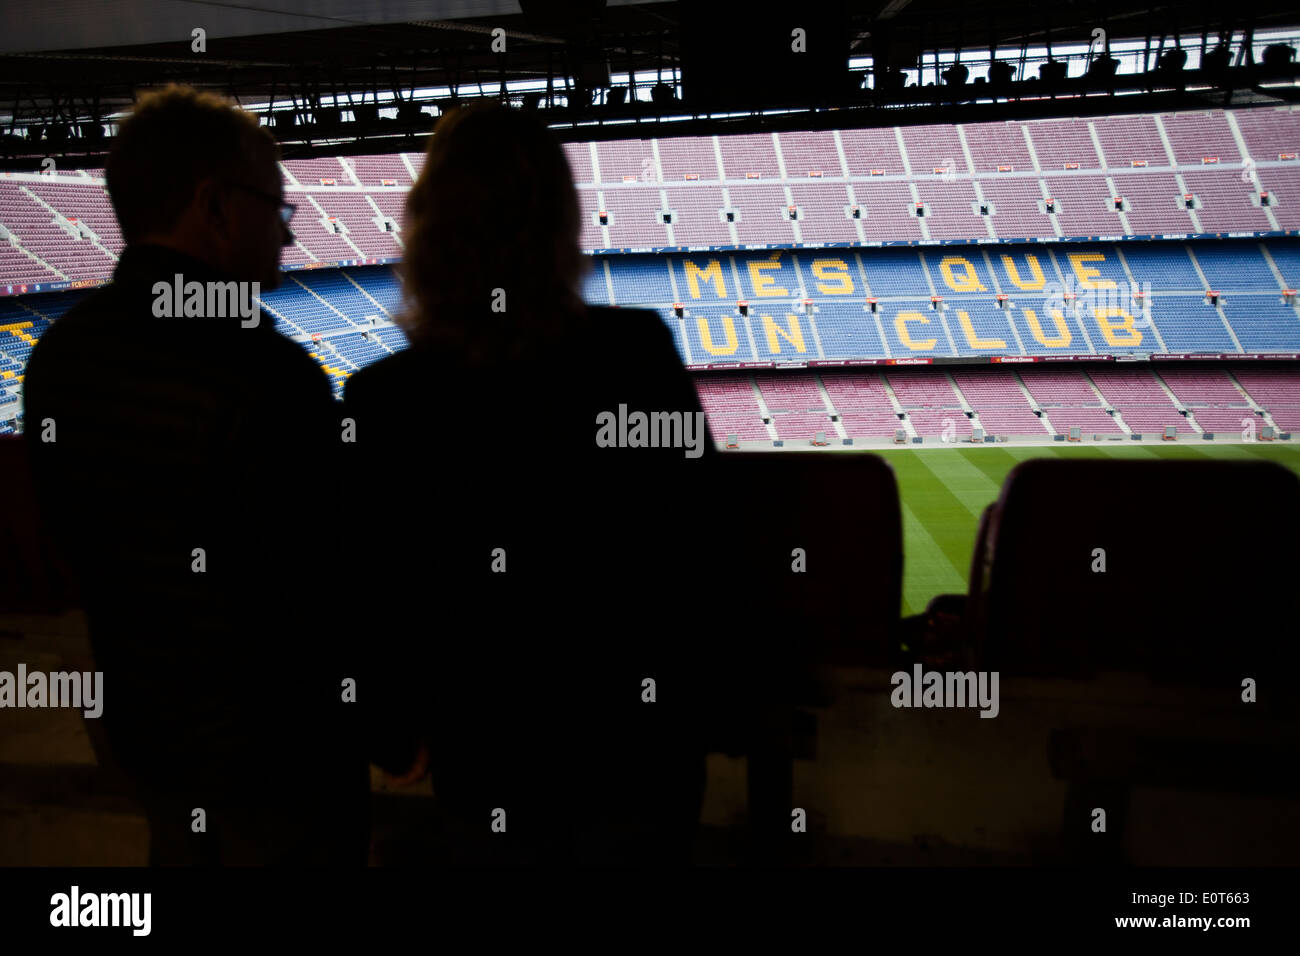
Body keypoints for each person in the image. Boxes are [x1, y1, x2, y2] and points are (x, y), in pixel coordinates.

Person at [23, 84, 417, 865]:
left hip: (152, 745)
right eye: (275, 208)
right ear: (213, 205)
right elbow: (318, 594)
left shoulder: (60, 360)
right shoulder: (266, 376)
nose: (288, 237)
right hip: (281, 769)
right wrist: (388, 727)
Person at [343, 103, 717, 865]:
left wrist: (389, 724)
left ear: (429, 229)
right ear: (560, 220)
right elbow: (700, 542)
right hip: (639, 752)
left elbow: (368, 588)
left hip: (486, 754)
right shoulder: (636, 355)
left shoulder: (384, 399)